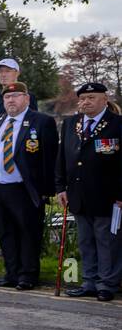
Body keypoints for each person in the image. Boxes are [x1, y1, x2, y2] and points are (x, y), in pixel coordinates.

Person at [0, 82, 56, 289]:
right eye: (7, 97)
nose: (11, 100)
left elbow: (50, 159)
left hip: (25, 189)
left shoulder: (42, 122)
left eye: (16, 96)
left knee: (28, 232)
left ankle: (28, 275)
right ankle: (12, 273)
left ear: (26, 98)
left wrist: (46, 190)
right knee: (6, 232)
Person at [55, 81, 122, 301]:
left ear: (104, 99)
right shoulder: (71, 123)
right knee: (85, 240)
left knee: (106, 241)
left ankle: (107, 283)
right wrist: (60, 187)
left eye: (91, 98)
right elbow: (62, 158)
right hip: (78, 193)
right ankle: (89, 281)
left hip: (107, 195)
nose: (86, 102)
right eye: (82, 98)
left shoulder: (116, 124)